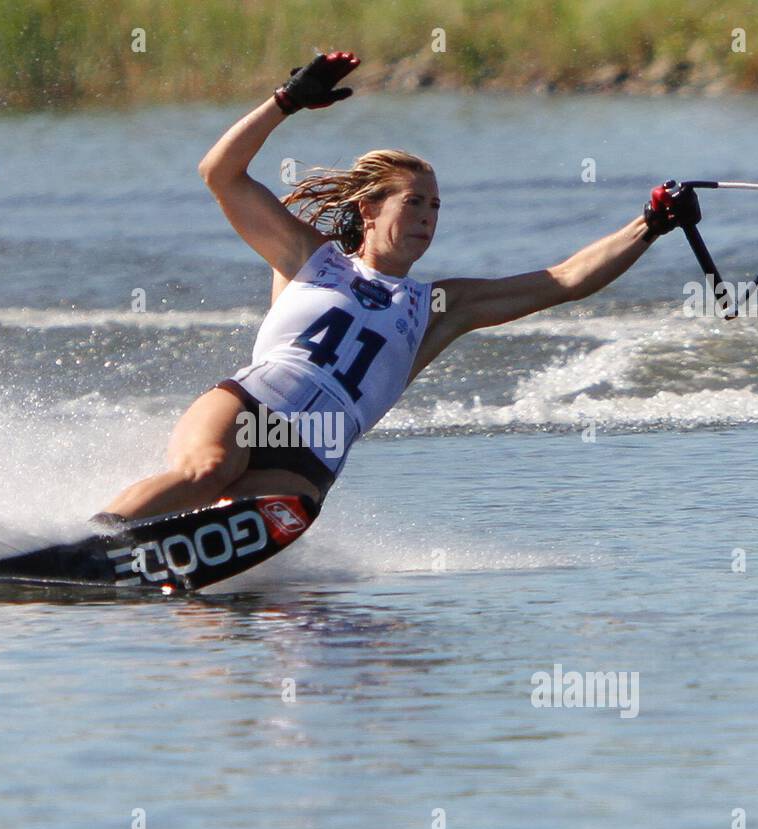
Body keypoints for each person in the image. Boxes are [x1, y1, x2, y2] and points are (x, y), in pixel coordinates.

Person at [93, 50, 698, 526]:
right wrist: (285, 102)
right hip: (254, 407)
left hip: (315, 453)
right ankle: (89, 542)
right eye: (414, 202)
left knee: (250, 521)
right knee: (207, 473)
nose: (429, 215)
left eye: (437, 205)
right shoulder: (311, 258)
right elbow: (220, 174)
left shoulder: (438, 307)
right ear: (370, 208)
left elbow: (566, 279)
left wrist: (650, 225)